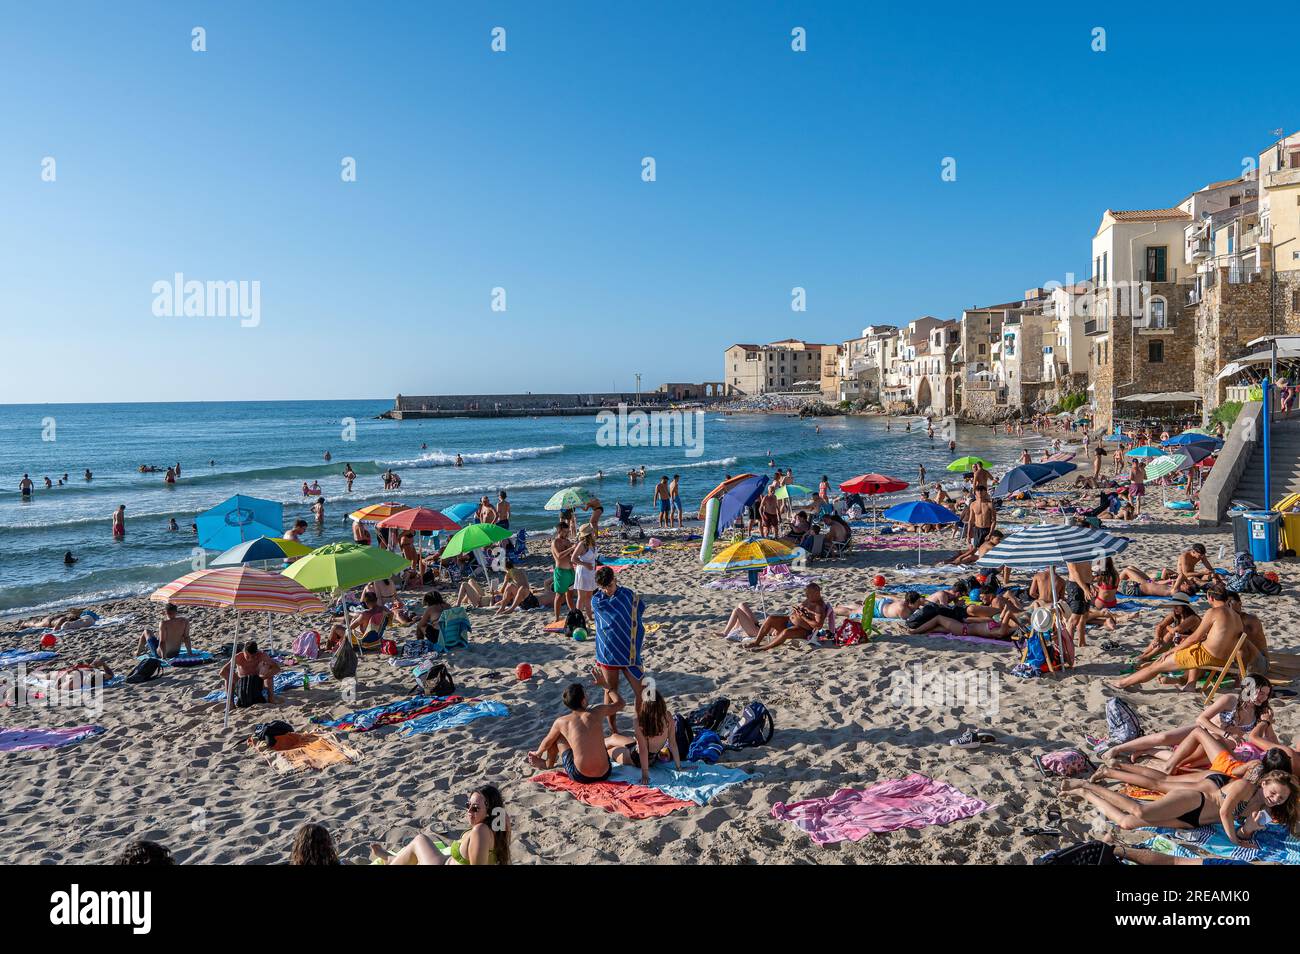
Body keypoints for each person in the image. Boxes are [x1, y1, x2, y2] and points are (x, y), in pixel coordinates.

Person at [1060, 769, 1299, 847]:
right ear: (1265, 782)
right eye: (1274, 792)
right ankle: (1084, 782)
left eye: (1281, 797)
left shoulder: (1264, 810)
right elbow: (1225, 812)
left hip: (1193, 821)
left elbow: (1242, 830)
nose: (1275, 798)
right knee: (1140, 811)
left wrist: (1248, 830)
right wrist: (1235, 841)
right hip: (1194, 801)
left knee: (1126, 823)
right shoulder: (1246, 786)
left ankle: (1085, 793)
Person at [1112, 586, 1249, 691]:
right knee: (1192, 647)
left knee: (1158, 665)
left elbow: (1195, 638)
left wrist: (1170, 651)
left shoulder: (1213, 612)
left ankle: (1122, 683)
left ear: (1211, 598)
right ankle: (1189, 685)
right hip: (1224, 659)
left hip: (1206, 655)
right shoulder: (1236, 616)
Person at [371, 785, 511, 866]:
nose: (469, 812)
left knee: (419, 841)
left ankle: (391, 861)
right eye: (468, 805)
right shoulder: (502, 821)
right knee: (421, 840)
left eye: (475, 808)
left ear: (489, 811)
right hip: (445, 860)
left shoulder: (480, 831)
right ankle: (391, 859)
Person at [528, 672, 624, 783]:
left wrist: (537, 753)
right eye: (585, 694)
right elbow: (620, 703)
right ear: (583, 701)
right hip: (605, 773)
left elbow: (547, 743)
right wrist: (606, 686)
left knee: (557, 737)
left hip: (581, 776)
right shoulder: (598, 711)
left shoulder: (562, 722)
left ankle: (547, 764)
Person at [590, 566, 647, 731]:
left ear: (614, 579)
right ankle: (613, 728)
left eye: (609, 585)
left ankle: (639, 725)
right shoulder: (597, 600)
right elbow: (607, 622)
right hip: (609, 652)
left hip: (630, 652)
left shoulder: (628, 595)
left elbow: (638, 612)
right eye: (603, 587)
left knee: (642, 690)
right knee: (611, 692)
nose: (607, 590)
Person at [606, 685, 688, 785]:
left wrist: (645, 774)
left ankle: (591, 747)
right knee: (614, 737)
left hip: (636, 759)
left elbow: (643, 750)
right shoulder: (667, 716)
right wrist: (679, 767)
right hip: (646, 755)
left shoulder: (639, 721)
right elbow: (673, 743)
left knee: (608, 750)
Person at [746, 582, 828, 651]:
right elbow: (804, 608)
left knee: (786, 632)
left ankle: (765, 647)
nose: (806, 595)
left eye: (808, 593)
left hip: (803, 630)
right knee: (771, 618)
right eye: (806, 593)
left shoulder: (818, 607)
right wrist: (798, 609)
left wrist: (803, 617)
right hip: (790, 621)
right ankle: (756, 642)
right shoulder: (810, 599)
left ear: (816, 593)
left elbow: (818, 626)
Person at [1136, 591, 1201, 664]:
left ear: (1185, 606)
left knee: (1170, 634)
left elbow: (1175, 631)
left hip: (1195, 641)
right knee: (1162, 631)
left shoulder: (1192, 618)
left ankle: (1149, 656)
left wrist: (1167, 627)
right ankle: (1145, 653)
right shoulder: (1176, 614)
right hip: (1181, 640)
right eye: (1174, 605)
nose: (1174, 608)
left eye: (1177, 606)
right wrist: (1157, 638)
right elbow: (1160, 626)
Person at [218, 640, 282, 705]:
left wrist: (264, 677)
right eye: (247, 656)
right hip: (241, 685)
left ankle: (271, 699)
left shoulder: (262, 655)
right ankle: (231, 704)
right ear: (243, 652)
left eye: (253, 656)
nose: (250, 659)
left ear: (256, 652)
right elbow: (222, 672)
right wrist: (238, 681)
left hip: (257, 684)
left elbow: (277, 668)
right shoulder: (238, 657)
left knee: (269, 676)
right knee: (228, 678)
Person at [550, 521, 576, 622]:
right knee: (559, 595)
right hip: (561, 572)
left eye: (567, 531)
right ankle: (556, 618)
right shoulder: (555, 542)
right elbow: (559, 556)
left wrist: (575, 548)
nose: (566, 534)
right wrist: (571, 549)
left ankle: (573, 613)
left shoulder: (568, 541)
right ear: (559, 531)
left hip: (570, 571)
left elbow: (572, 555)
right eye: (564, 532)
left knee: (570, 595)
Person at [571, 524, 598, 614]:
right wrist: (585, 564)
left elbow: (593, 558)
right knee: (581, 597)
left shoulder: (593, 543)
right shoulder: (581, 544)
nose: (594, 532)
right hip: (583, 572)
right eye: (592, 531)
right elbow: (573, 559)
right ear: (589, 534)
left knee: (589, 596)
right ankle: (578, 617)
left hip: (591, 572)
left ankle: (589, 615)